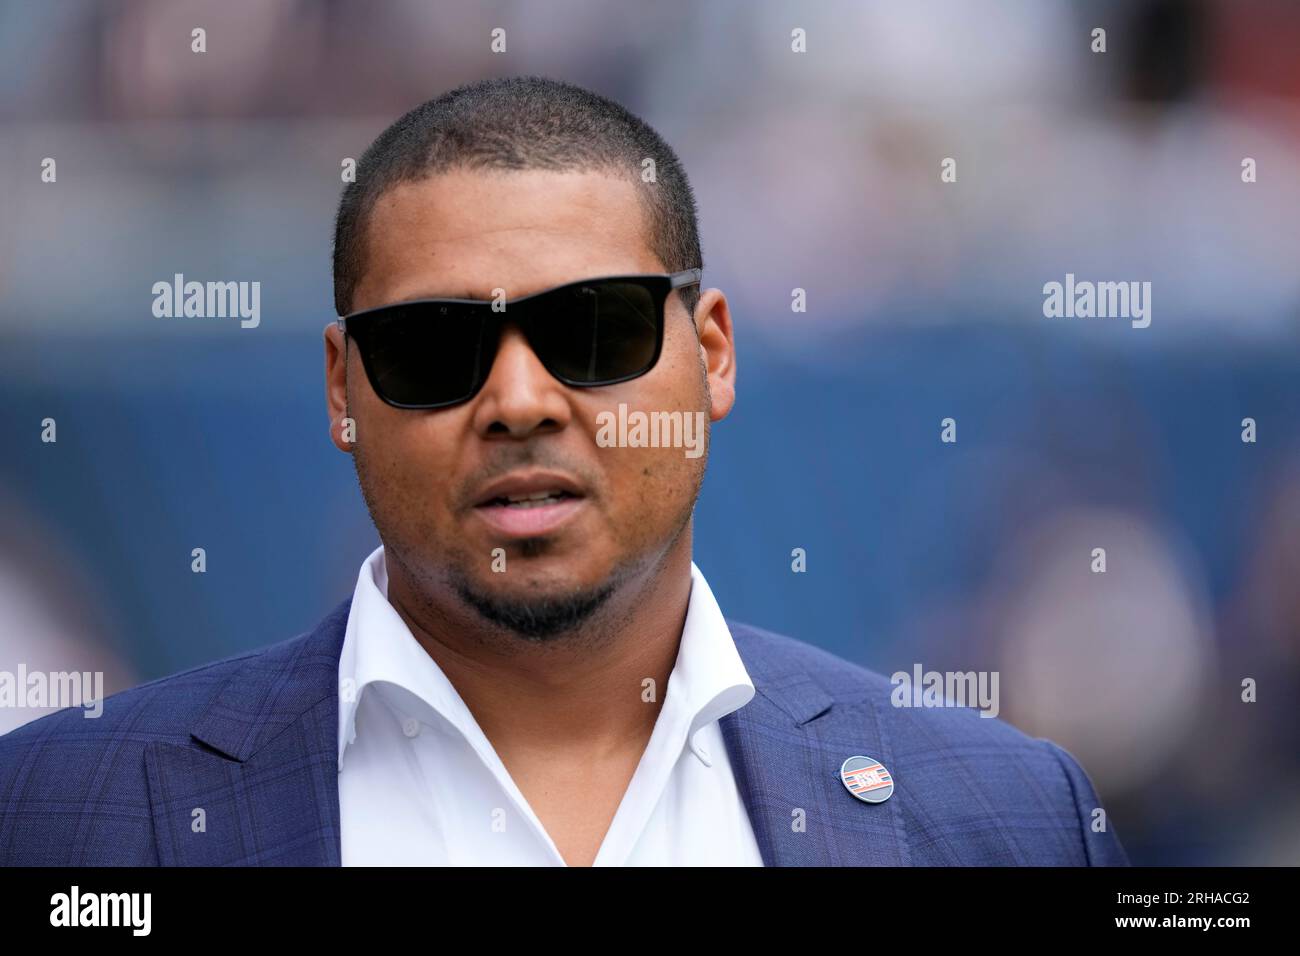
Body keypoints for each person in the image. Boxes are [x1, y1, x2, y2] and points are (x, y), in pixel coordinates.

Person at [0, 76, 1127, 866]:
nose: (522, 400)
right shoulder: (59, 816)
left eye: (595, 331)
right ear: (342, 390)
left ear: (715, 352)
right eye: (436, 347)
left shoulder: (1001, 817)